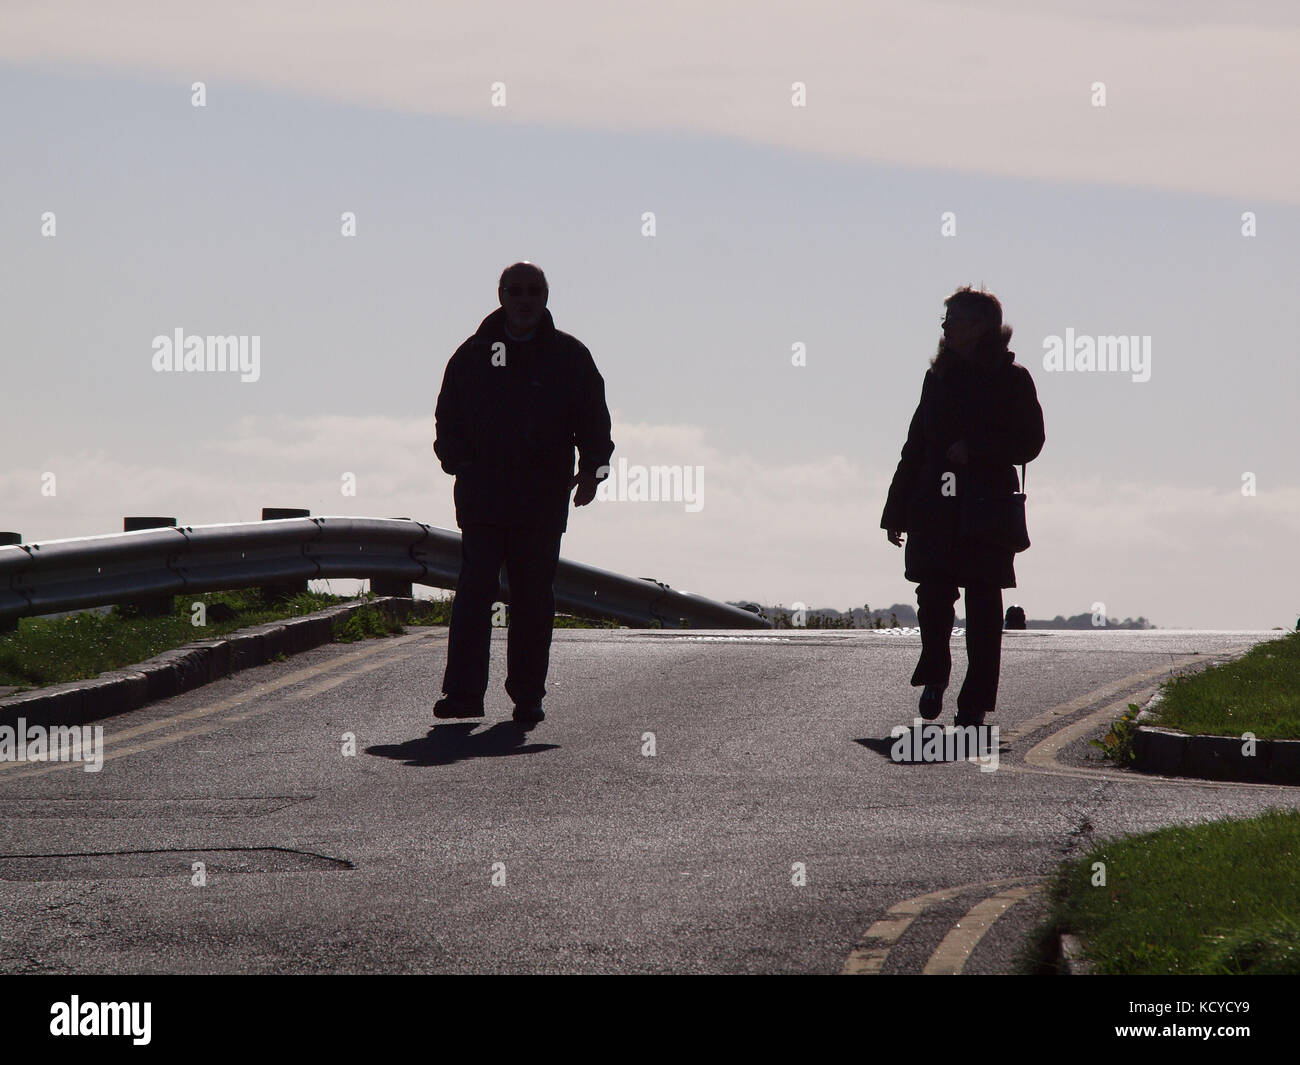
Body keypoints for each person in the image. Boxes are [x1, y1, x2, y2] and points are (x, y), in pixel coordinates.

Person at [433, 262, 613, 727]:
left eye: (535, 291)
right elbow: (447, 419)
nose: (525, 299)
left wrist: (593, 471)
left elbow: (594, 420)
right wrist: (460, 463)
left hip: (541, 501)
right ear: (501, 295)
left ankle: (527, 696)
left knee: (532, 598)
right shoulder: (473, 355)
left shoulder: (569, 356)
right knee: (475, 594)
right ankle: (464, 694)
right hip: (482, 500)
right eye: (516, 291)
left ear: (547, 296)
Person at [881, 286, 1045, 727]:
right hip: (934, 506)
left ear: (979, 328)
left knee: (984, 608)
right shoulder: (938, 378)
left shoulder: (1013, 379)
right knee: (932, 594)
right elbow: (914, 446)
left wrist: (977, 449)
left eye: (953, 320)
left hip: (987, 508)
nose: (945, 327)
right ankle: (935, 673)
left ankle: (974, 703)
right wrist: (894, 511)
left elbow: (1031, 442)